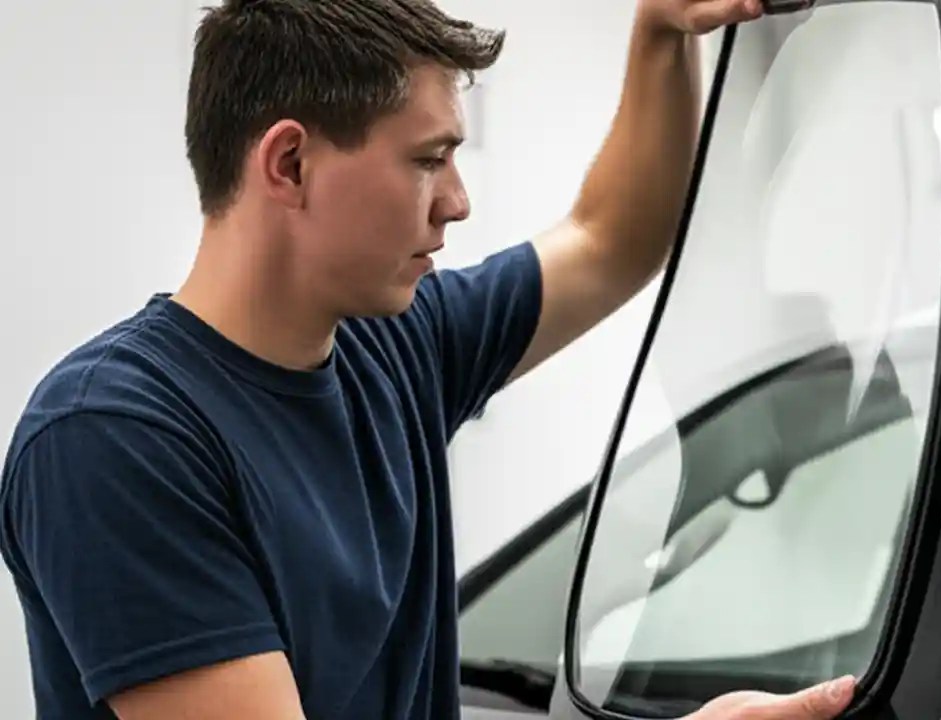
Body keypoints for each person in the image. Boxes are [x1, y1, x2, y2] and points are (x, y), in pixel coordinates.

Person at [0, 0, 857, 718]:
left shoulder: (395, 344)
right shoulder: (114, 437)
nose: (457, 200)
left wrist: (660, 33)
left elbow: (611, 241)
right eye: (429, 159)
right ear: (290, 163)